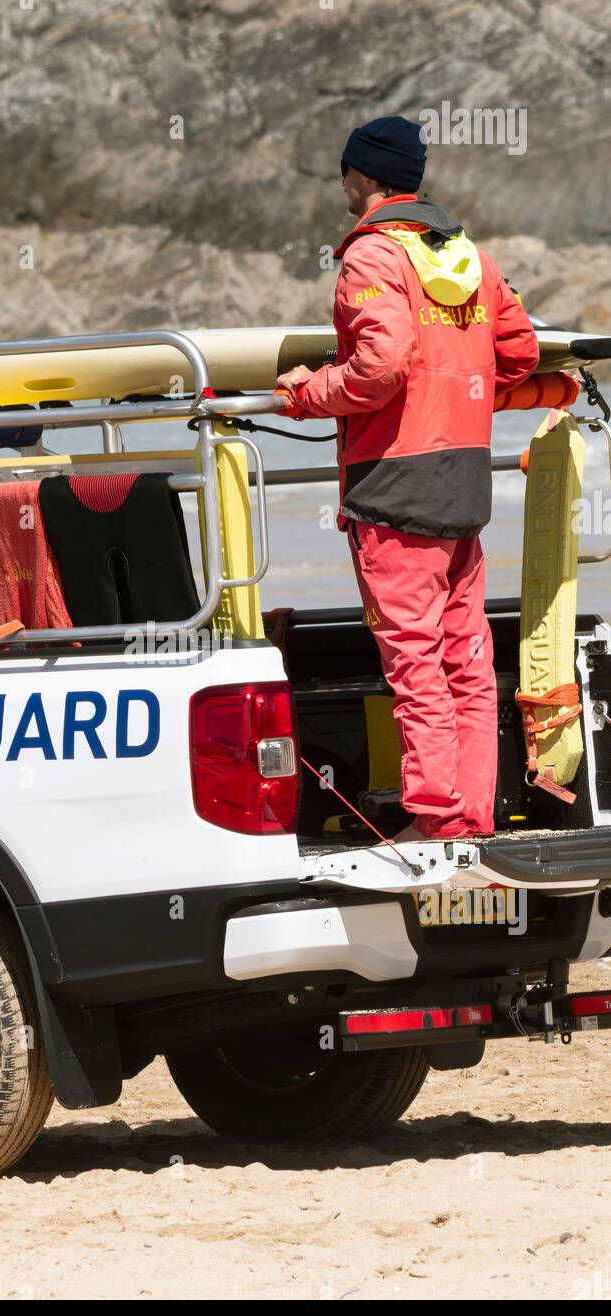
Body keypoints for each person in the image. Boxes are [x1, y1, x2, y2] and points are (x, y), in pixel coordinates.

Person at [276, 115, 539, 840]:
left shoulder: (372, 259)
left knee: (415, 664)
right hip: (462, 487)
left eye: (345, 172)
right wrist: (457, 385)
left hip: (393, 488)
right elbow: (518, 355)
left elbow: (380, 367)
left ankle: (437, 820)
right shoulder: (467, 256)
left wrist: (305, 392)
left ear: (363, 178)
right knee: (467, 663)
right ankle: (473, 815)